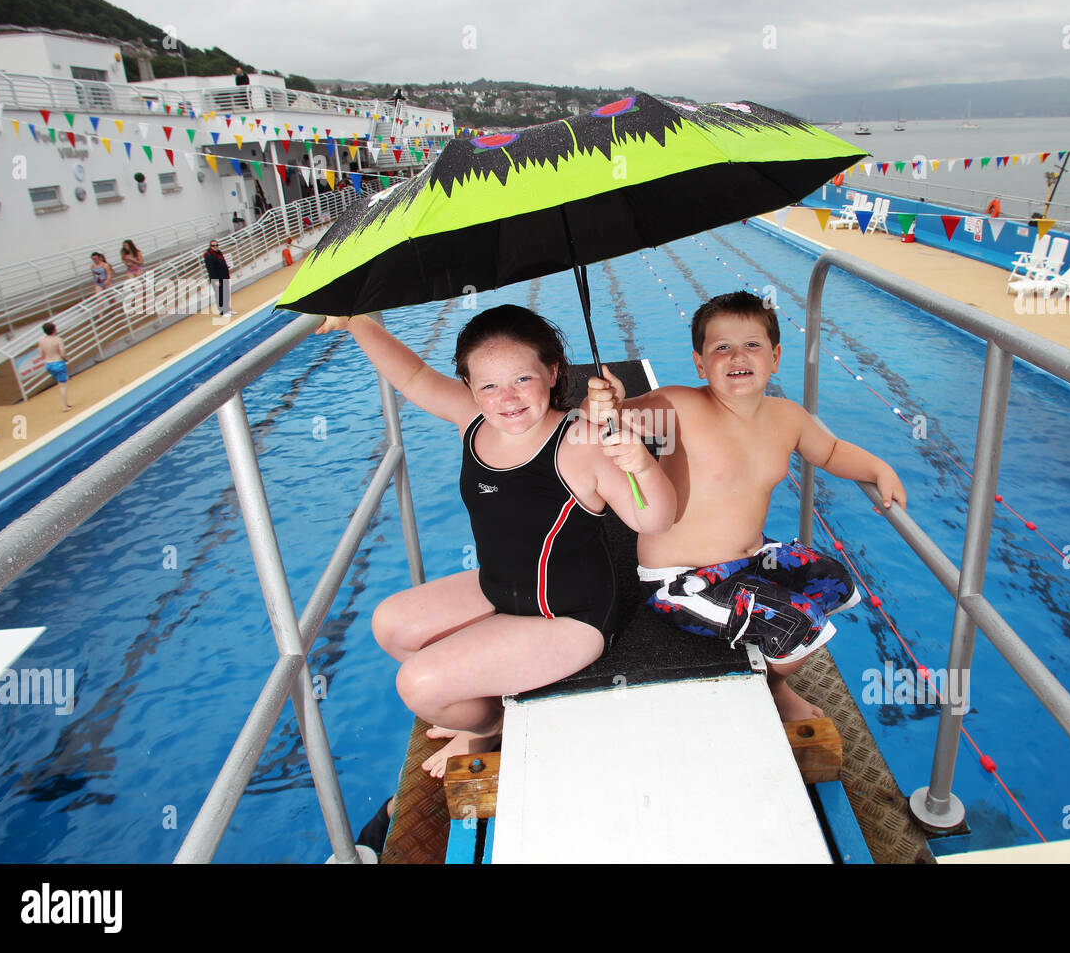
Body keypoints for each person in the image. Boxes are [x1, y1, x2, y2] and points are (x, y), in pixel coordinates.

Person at [318, 305, 676, 777]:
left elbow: (653, 520)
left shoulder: (582, 442)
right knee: (390, 625)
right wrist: (355, 320)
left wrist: (640, 461)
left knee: (418, 685)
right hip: (498, 592)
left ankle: (489, 724)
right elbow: (412, 374)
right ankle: (490, 693)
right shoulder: (473, 422)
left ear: (552, 373)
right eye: (488, 385)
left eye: (521, 379)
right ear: (470, 388)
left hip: (571, 619)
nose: (506, 398)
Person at [586, 290, 906, 723]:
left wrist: (878, 467)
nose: (738, 355)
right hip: (682, 581)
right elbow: (615, 422)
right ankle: (777, 688)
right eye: (721, 347)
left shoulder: (786, 417)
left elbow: (829, 452)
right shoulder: (679, 408)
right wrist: (605, 405)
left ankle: (767, 652)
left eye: (751, 344)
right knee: (800, 624)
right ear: (701, 363)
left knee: (833, 581)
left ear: (774, 356)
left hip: (751, 561)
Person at [38, 322, 73, 411]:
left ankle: (66, 403)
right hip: (58, 362)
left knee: (60, 384)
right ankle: (65, 406)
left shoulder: (41, 341)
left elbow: (41, 354)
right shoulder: (58, 339)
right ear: (54, 329)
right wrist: (66, 359)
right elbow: (62, 353)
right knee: (62, 385)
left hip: (48, 363)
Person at [202, 240, 234, 316]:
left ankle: (228, 309)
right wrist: (215, 280)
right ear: (210, 246)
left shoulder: (219, 253)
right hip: (217, 279)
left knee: (226, 294)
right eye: (213, 245)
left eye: (217, 245)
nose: (215, 246)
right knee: (220, 295)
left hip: (224, 277)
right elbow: (210, 269)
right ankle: (223, 311)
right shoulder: (209, 256)